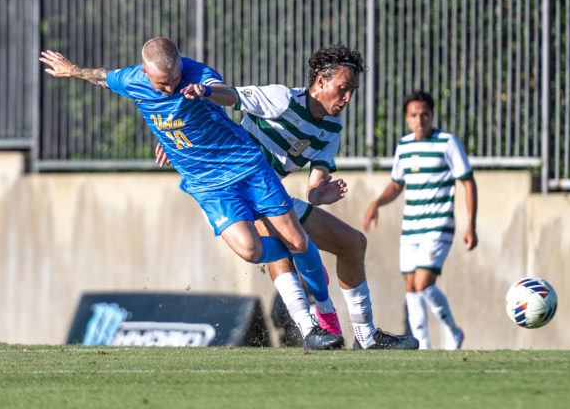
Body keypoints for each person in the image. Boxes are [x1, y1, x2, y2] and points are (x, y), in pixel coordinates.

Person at [39, 37, 343, 351]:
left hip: (247, 165)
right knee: (251, 250)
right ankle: (293, 256)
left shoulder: (197, 75)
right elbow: (104, 76)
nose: (171, 88)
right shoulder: (132, 80)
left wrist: (206, 91)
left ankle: (319, 323)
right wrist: (72, 70)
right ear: (144, 72)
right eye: (162, 84)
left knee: (297, 239)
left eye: (175, 80)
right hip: (207, 185)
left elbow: (226, 92)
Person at [157, 44, 418, 350]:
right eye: (343, 89)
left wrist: (320, 193)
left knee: (352, 243)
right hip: (233, 194)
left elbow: (313, 187)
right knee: (286, 240)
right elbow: (232, 97)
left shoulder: (332, 128)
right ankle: (310, 330)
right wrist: (187, 120)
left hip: (269, 197)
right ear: (320, 81)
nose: (347, 98)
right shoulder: (282, 99)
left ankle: (365, 336)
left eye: (353, 92)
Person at [362, 90, 478, 350]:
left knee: (424, 283)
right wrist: (376, 203)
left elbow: (467, 182)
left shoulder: (447, 142)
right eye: (414, 115)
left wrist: (471, 224)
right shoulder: (404, 146)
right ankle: (422, 347)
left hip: (439, 225)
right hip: (411, 228)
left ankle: (453, 332)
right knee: (412, 287)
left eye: (424, 114)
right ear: (406, 118)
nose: (420, 120)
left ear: (432, 115)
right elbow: (396, 184)